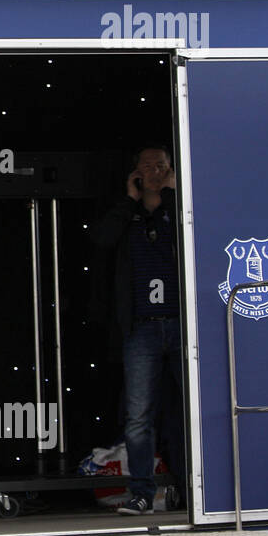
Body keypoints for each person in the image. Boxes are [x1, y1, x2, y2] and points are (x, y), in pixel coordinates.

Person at [89, 145, 184, 515]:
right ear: (135, 173)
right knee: (139, 415)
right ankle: (142, 492)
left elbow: (192, 233)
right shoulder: (126, 216)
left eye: (161, 166)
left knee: (190, 409)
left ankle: (198, 489)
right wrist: (130, 201)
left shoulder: (179, 210)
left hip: (181, 324)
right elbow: (101, 238)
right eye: (147, 166)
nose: (155, 171)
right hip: (142, 328)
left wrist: (173, 195)